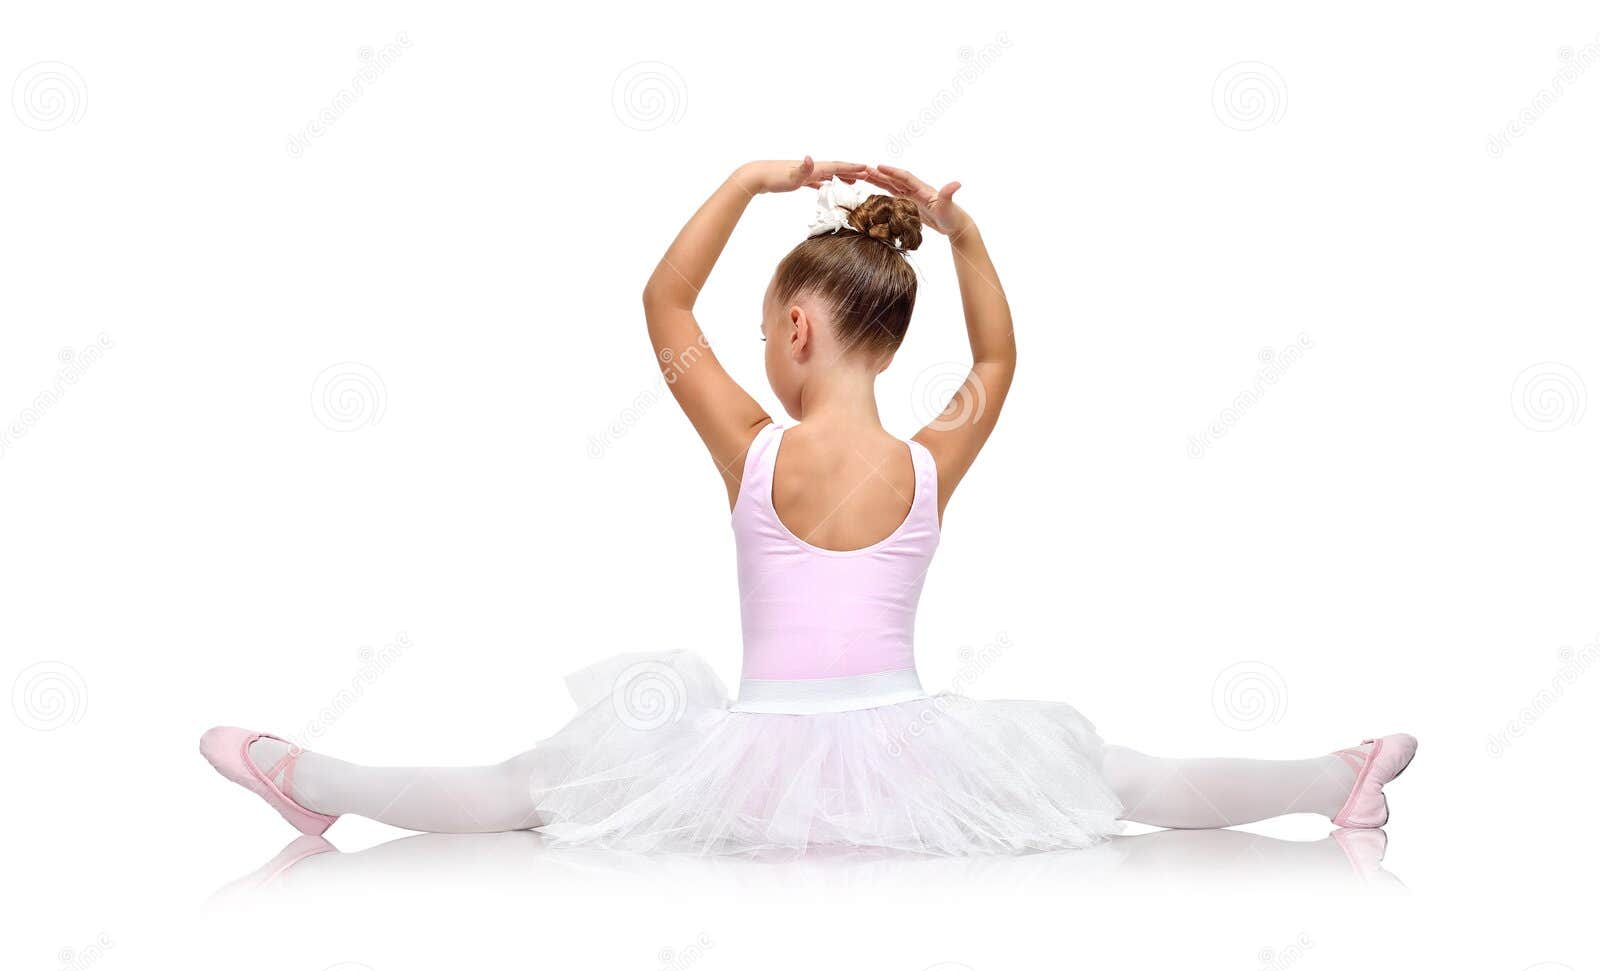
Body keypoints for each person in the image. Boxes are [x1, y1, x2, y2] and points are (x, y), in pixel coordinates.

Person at [201, 157, 1416, 856]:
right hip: (915, 749)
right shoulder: (936, 454)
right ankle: (1337, 776)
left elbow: (662, 308)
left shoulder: (746, 447)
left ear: (792, 327)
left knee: (527, 788)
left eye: (766, 328)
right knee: (1120, 780)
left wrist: (747, 182)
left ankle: (314, 778)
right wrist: (966, 233)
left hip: (748, 753)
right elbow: (997, 361)